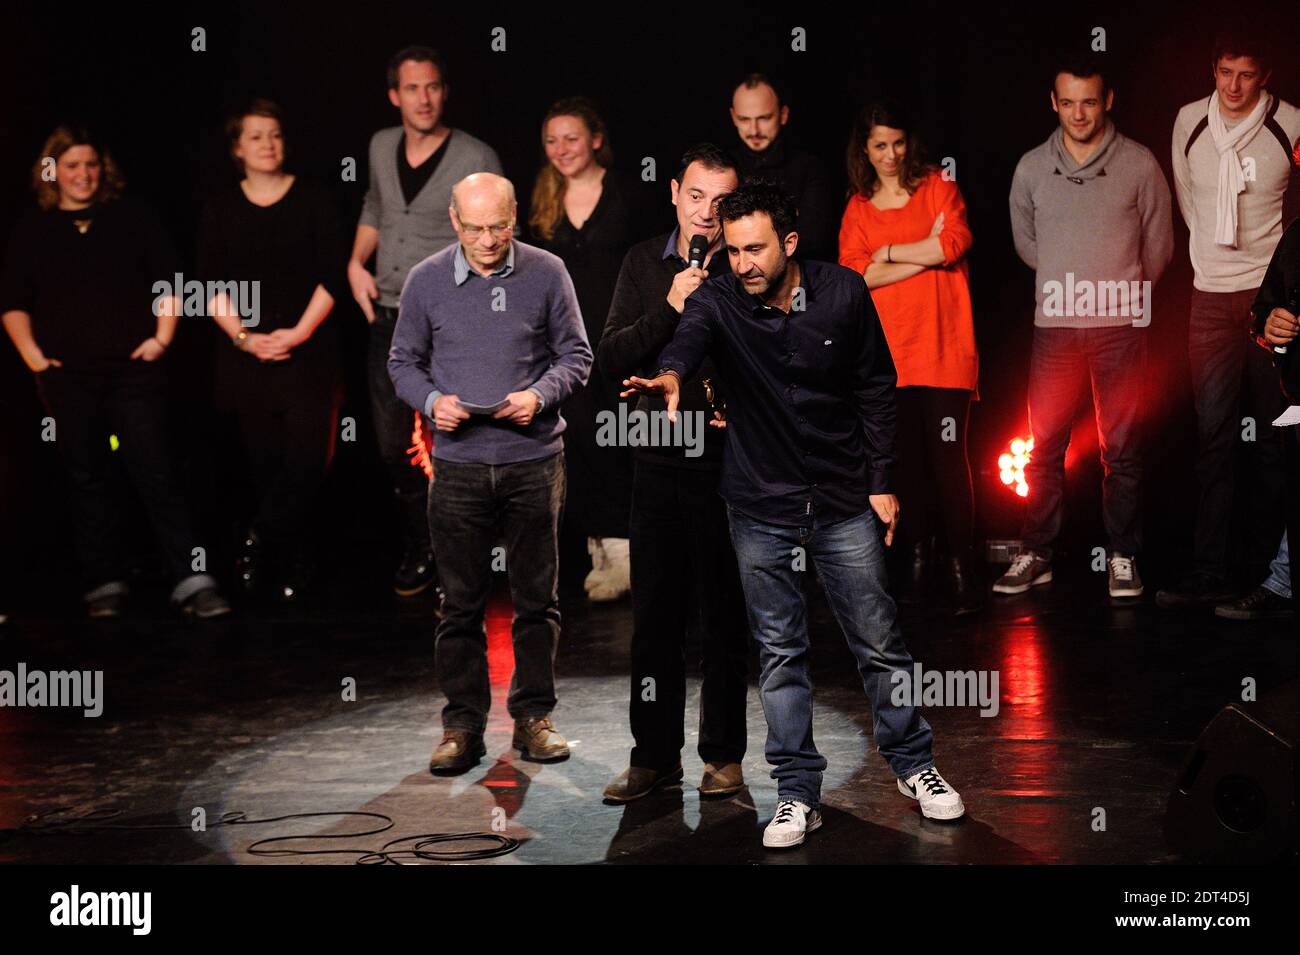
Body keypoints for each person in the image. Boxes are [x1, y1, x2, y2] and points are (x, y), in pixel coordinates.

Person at [625, 180, 964, 849]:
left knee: (880, 640)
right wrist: (671, 372)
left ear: (789, 242)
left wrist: (880, 479)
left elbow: (875, 386)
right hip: (759, 501)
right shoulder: (719, 298)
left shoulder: (841, 293)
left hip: (841, 497)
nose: (743, 262)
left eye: (755, 249)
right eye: (733, 249)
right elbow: (690, 337)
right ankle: (796, 790)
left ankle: (914, 763)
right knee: (780, 652)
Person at [388, 173, 592, 773]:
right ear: (454, 221)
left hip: (532, 460)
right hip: (459, 466)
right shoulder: (426, 280)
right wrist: (431, 402)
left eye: (498, 227)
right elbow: (402, 362)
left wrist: (539, 396)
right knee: (459, 604)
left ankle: (533, 718)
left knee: (537, 599)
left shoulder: (546, 271)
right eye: (474, 228)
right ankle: (462, 726)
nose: (486, 240)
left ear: (515, 217)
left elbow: (576, 356)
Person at [0, 126, 230, 619]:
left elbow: (169, 281)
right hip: (68, 377)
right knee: (87, 475)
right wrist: (36, 360)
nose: (83, 174)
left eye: (90, 165)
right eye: (71, 166)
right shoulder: (33, 229)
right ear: (52, 172)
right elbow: (14, 303)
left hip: (133, 371)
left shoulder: (131, 217)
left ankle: (192, 579)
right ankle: (105, 580)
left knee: (157, 468)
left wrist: (162, 339)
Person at [597, 144, 750, 802]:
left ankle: (723, 754)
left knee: (723, 612)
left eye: (720, 202)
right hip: (657, 457)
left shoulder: (747, 263)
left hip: (726, 465)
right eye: (695, 197)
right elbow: (611, 358)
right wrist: (668, 304)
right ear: (674, 194)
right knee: (655, 616)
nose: (706, 214)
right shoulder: (641, 262)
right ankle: (653, 755)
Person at [998, 58, 1173, 598]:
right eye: (1068, 102)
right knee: (1045, 443)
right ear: (1053, 103)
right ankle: (1036, 553)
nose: (1079, 113)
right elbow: (1028, 245)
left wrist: (1114, 289)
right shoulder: (1030, 167)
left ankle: (1122, 556)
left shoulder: (1140, 164)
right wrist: (1067, 282)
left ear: (1109, 100)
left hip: (1121, 325)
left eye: (1089, 101)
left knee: (1120, 447)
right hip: (1055, 324)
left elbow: (1160, 246)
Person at [348, 45, 504, 598]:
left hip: (448, 324)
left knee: (453, 444)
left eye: (433, 86)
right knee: (394, 447)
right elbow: (376, 204)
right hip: (388, 317)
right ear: (395, 95)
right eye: (412, 88)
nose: (424, 98)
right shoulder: (380, 145)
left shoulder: (473, 155)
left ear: (444, 91)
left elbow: (498, 236)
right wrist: (354, 261)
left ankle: (463, 567)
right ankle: (427, 547)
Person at [1159, 30, 1300, 608]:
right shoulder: (1189, 120)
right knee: (1213, 437)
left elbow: (1296, 216)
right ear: (1212, 70)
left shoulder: (1290, 123)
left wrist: (1279, 291)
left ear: (1264, 76)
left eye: (1245, 75)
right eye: (1223, 72)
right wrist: (1217, 260)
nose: (1233, 86)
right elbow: (1189, 203)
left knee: (1276, 439)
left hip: (1269, 301)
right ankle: (1209, 572)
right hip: (1208, 297)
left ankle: (1271, 580)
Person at [200, 98, 347, 603]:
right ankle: (291, 562)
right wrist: (244, 337)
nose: (268, 144)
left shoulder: (315, 199)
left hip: (308, 353)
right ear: (237, 148)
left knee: (308, 462)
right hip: (247, 358)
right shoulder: (219, 207)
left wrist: (298, 333)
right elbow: (209, 282)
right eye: (256, 136)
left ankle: (257, 541)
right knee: (267, 468)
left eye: (275, 134)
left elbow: (334, 274)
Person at [839, 100, 982, 614]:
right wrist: (925, 247)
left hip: (943, 347)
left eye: (898, 143)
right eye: (880, 144)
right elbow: (855, 276)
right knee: (909, 467)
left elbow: (955, 243)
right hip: (888, 354)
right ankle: (919, 561)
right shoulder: (858, 207)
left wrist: (893, 252)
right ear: (866, 148)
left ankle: (963, 566)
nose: (891, 154)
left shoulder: (938, 186)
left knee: (949, 461)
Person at [528, 97, 647, 602]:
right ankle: (600, 549)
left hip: (619, 338)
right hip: (563, 345)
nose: (561, 149)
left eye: (571, 138)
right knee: (576, 446)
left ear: (596, 139)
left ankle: (626, 551)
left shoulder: (626, 193)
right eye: (552, 140)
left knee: (619, 442)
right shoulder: (539, 197)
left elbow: (646, 264)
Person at [728, 73, 836, 260]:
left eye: (764, 118)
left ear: (783, 115)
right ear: (733, 117)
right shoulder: (725, 167)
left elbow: (814, 241)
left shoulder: (810, 168)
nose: (754, 130)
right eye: (744, 119)